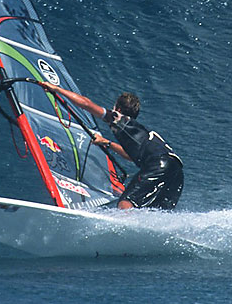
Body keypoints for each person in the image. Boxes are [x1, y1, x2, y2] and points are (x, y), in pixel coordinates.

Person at [39, 82, 183, 210]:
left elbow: (86, 104)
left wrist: (57, 89)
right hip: (176, 169)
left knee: (126, 202)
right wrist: (107, 143)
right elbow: (132, 156)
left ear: (118, 109)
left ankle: (126, 227)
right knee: (157, 208)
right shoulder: (139, 131)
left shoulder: (120, 119)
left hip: (158, 163)